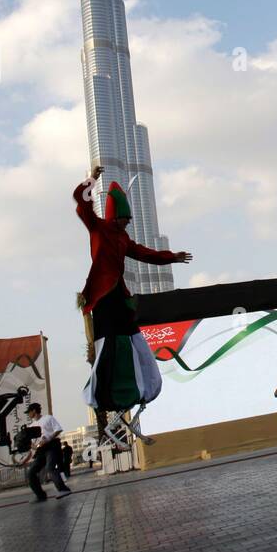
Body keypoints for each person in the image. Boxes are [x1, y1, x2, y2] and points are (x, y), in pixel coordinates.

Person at [75, 165, 192, 447]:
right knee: (109, 348)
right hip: (102, 298)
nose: (127, 224)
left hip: (119, 297)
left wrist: (171, 257)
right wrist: (92, 178)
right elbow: (81, 204)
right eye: (124, 219)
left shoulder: (123, 238)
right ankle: (104, 398)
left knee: (136, 340)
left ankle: (143, 388)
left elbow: (144, 253)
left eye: (129, 220)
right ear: (114, 217)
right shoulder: (99, 228)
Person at [25, 402, 71, 501]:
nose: (28, 414)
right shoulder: (31, 426)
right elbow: (33, 443)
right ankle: (40, 495)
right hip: (41, 450)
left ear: (34, 411)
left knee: (50, 468)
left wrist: (48, 438)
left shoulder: (48, 418)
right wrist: (33, 446)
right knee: (31, 472)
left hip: (52, 446)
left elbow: (58, 429)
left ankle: (63, 489)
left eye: (29, 412)